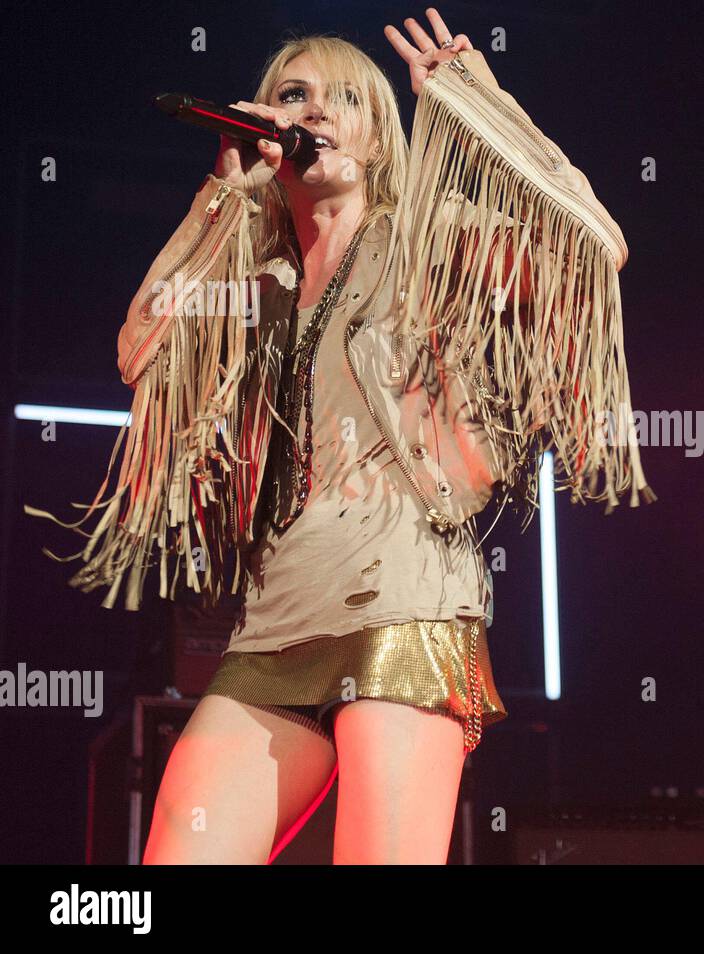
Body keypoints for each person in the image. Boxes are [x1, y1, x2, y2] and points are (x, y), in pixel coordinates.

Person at [32, 9, 649, 863]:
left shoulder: (429, 241)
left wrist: (480, 107)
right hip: (277, 620)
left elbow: (593, 248)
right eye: (294, 96)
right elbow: (142, 351)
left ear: (379, 135)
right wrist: (225, 197)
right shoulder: (261, 285)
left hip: (404, 601)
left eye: (345, 98)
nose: (315, 112)